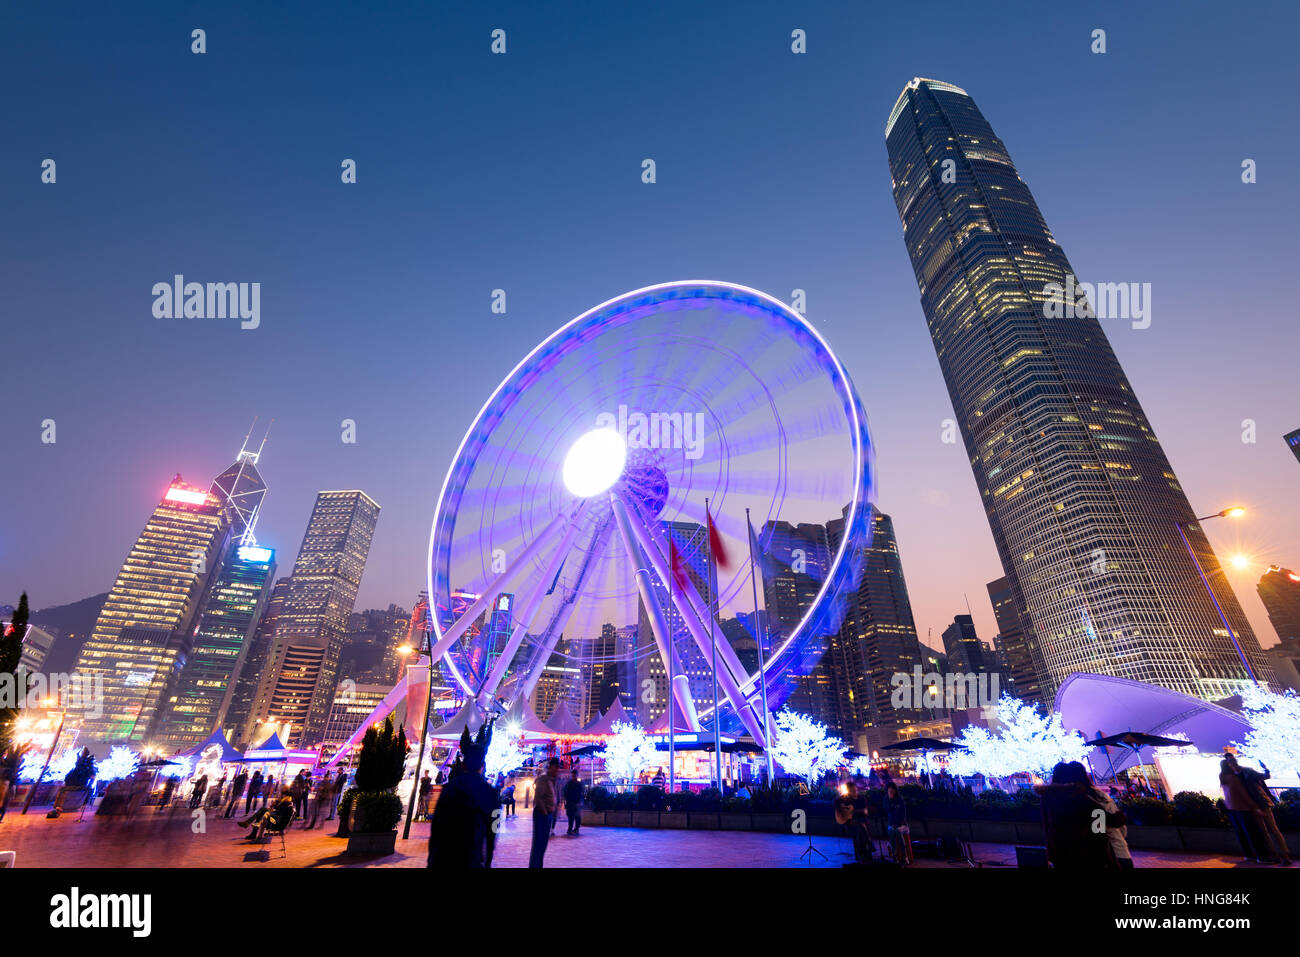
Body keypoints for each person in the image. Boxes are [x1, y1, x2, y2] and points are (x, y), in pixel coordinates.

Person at [1036, 761, 1123, 869]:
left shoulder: (1047, 798)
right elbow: (1104, 825)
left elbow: (1047, 827)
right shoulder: (1082, 798)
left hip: (1061, 854)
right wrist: (1120, 815)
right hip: (1089, 855)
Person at [427, 744, 501, 869]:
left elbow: (436, 826)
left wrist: (431, 859)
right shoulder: (492, 794)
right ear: (482, 767)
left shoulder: (449, 789)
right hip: (472, 856)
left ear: (463, 765)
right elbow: (493, 830)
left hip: (444, 855)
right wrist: (488, 860)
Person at [1226, 753, 1292, 865]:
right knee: (1264, 832)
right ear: (1228, 764)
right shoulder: (1233, 777)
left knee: (1273, 830)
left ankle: (1285, 856)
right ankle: (1275, 856)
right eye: (1230, 761)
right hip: (1252, 807)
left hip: (1262, 803)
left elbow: (1265, 777)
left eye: (1233, 760)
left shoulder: (1247, 771)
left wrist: (1266, 769)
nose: (1233, 763)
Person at [530, 758, 561, 868]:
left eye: (558, 767)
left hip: (548, 815)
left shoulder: (554, 780)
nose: (557, 770)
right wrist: (545, 812)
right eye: (555, 767)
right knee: (539, 844)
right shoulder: (543, 779)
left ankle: (538, 865)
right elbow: (539, 798)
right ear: (550, 766)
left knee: (543, 845)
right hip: (541, 814)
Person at [835, 781, 872, 865]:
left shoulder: (862, 799)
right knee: (860, 827)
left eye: (855, 790)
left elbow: (865, 812)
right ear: (848, 791)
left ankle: (861, 854)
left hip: (861, 821)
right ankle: (867, 848)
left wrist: (858, 812)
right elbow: (837, 805)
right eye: (852, 791)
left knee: (860, 828)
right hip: (849, 822)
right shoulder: (844, 799)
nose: (854, 792)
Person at [883, 783, 913, 865]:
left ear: (896, 790)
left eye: (893, 789)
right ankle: (895, 855)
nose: (891, 790)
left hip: (902, 825)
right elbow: (888, 811)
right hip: (891, 825)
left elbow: (903, 815)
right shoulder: (886, 800)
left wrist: (898, 824)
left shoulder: (900, 800)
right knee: (892, 831)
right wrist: (890, 799)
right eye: (890, 789)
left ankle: (904, 856)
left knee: (897, 831)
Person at [563, 766, 585, 835]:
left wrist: (579, 801)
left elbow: (581, 793)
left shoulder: (578, 784)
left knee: (576, 817)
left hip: (576, 802)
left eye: (574, 775)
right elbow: (565, 792)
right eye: (573, 775)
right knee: (571, 817)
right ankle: (571, 829)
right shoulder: (569, 783)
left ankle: (576, 828)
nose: (573, 776)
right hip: (571, 802)